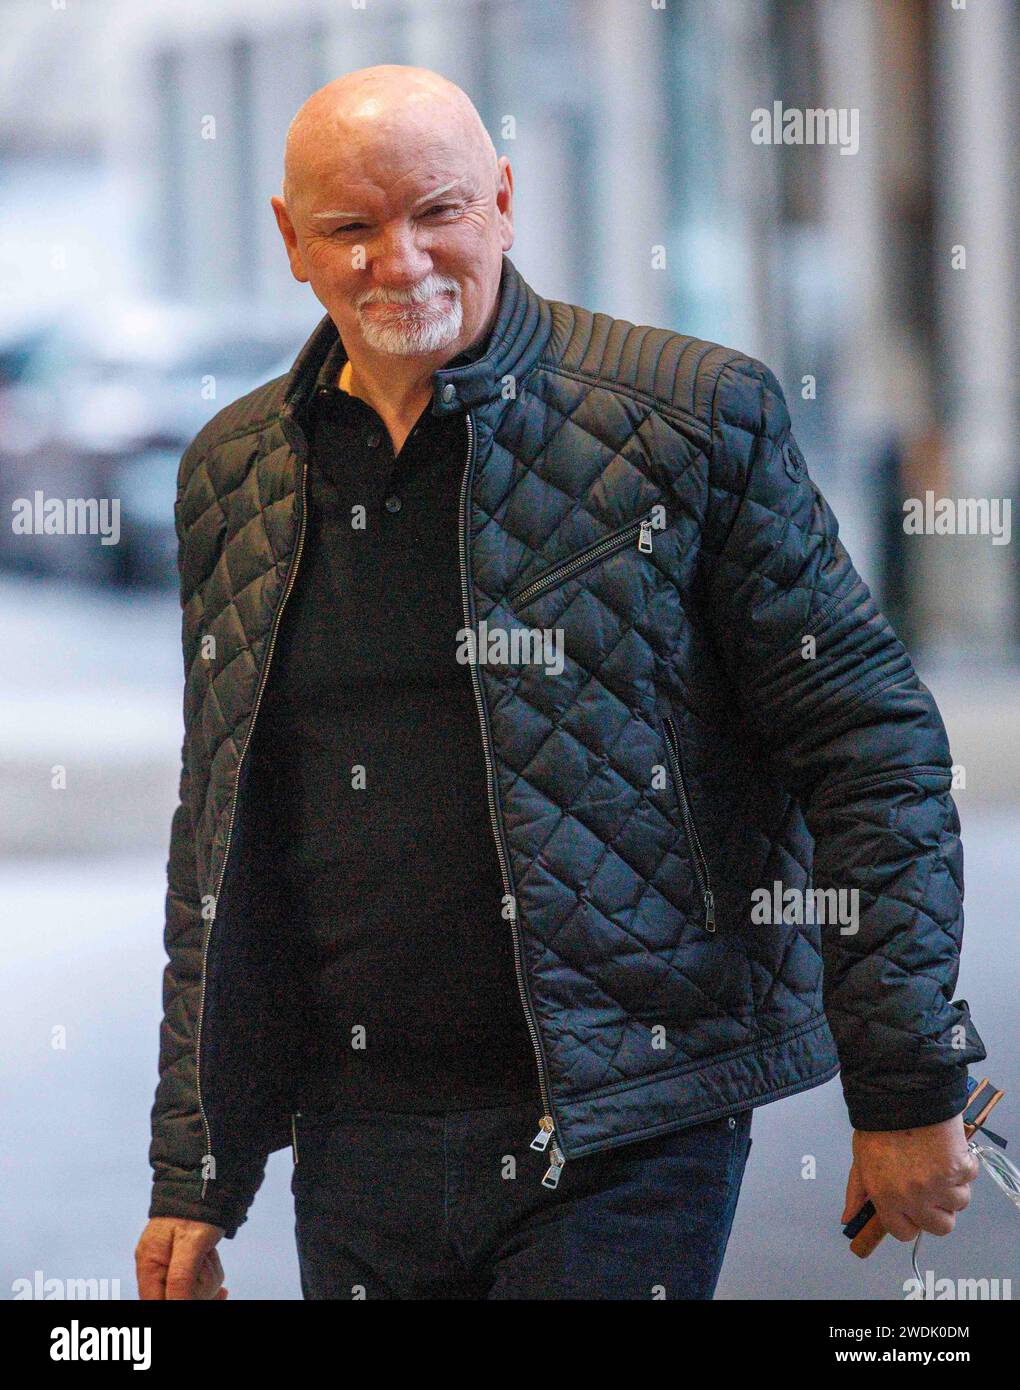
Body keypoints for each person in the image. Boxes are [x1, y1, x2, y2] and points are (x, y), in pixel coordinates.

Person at [135, 65, 985, 1301]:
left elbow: (872, 746)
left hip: (619, 1129)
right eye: (351, 228)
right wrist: (193, 1171)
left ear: (505, 202)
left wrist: (909, 1081)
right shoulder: (235, 472)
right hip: (358, 1133)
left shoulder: (691, 419)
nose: (401, 260)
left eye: (438, 212)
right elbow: (219, 842)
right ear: (290, 242)